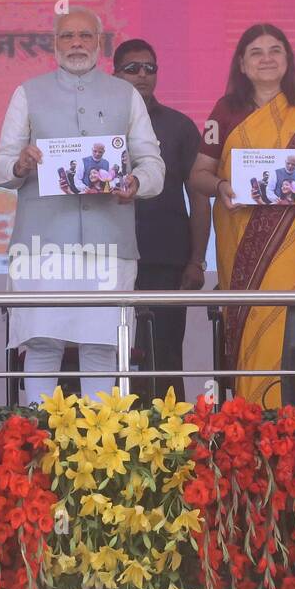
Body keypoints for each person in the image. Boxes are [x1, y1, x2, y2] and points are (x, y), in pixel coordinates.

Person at [0, 7, 165, 403]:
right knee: (42, 345)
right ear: (54, 44)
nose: (77, 44)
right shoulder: (28, 92)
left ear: (99, 44)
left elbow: (152, 163)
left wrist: (136, 182)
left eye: (85, 36)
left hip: (109, 244)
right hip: (41, 245)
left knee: (102, 347)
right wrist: (19, 164)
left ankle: (98, 449)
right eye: (68, 36)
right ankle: (33, 440)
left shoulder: (126, 94)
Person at [188, 23, 295, 408]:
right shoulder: (225, 111)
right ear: (242, 65)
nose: (266, 58)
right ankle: (252, 420)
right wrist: (222, 187)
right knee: (254, 330)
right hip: (245, 245)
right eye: (256, 52)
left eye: (275, 50)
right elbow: (198, 175)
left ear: (288, 60)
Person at [113, 39, 208, 401]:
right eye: (132, 68)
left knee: (164, 358)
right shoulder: (98, 123)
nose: (142, 75)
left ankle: (169, 447)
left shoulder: (179, 126)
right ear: (115, 73)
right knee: (107, 354)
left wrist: (196, 260)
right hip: (106, 258)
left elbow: (199, 196)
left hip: (164, 259)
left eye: (149, 68)